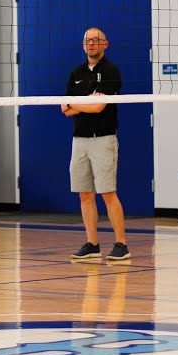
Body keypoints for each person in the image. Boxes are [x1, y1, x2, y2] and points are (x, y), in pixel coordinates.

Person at [62, 27, 128, 262]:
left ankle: (121, 244)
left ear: (105, 44)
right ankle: (92, 244)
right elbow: (64, 109)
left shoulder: (111, 71)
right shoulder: (75, 73)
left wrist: (79, 103)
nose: (91, 44)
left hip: (103, 139)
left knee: (108, 193)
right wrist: (88, 101)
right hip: (79, 141)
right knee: (85, 194)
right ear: (83, 45)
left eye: (96, 40)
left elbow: (99, 107)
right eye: (87, 40)